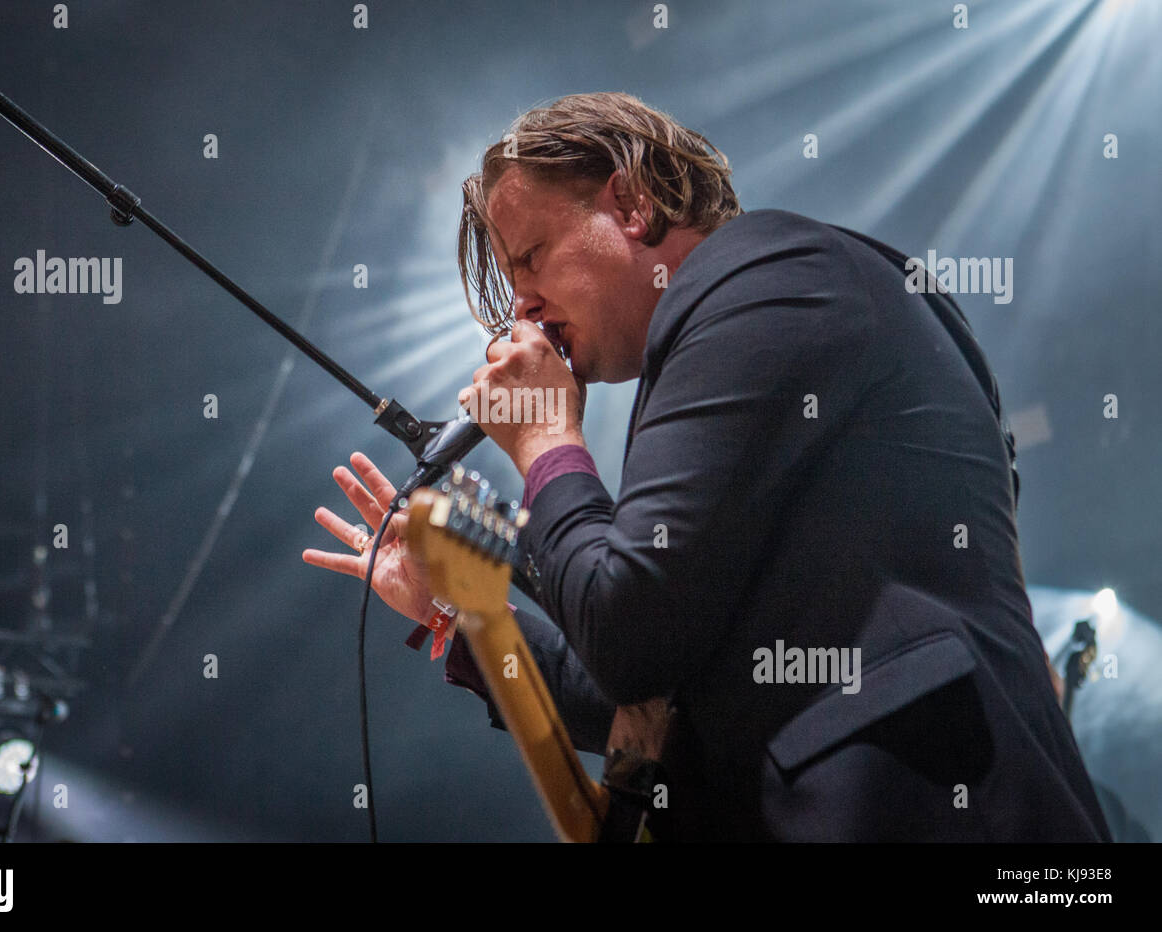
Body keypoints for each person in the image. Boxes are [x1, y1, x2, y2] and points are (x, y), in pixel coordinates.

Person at [303, 92, 1111, 841]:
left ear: (630, 201)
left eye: (534, 257)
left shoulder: (767, 282)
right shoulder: (737, 333)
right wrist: (458, 614)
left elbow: (626, 635)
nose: (522, 307)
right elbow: (648, 698)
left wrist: (548, 440)